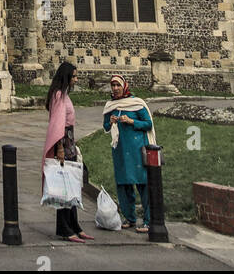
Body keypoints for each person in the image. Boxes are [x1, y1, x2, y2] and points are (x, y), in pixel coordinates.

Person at [42, 61, 93, 243]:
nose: (76, 79)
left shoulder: (63, 94)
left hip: (69, 142)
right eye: (74, 76)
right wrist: (60, 148)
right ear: (66, 77)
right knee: (64, 188)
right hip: (63, 143)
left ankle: (75, 226)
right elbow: (58, 124)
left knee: (71, 185)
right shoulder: (57, 95)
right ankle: (64, 229)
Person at [102, 74, 156, 232]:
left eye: (118, 85)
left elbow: (148, 124)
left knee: (143, 184)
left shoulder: (137, 104)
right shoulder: (110, 106)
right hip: (120, 150)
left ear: (124, 86)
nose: (115, 89)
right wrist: (110, 122)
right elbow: (105, 127)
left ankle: (149, 220)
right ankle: (130, 218)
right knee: (123, 185)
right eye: (113, 86)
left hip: (137, 149)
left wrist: (132, 121)